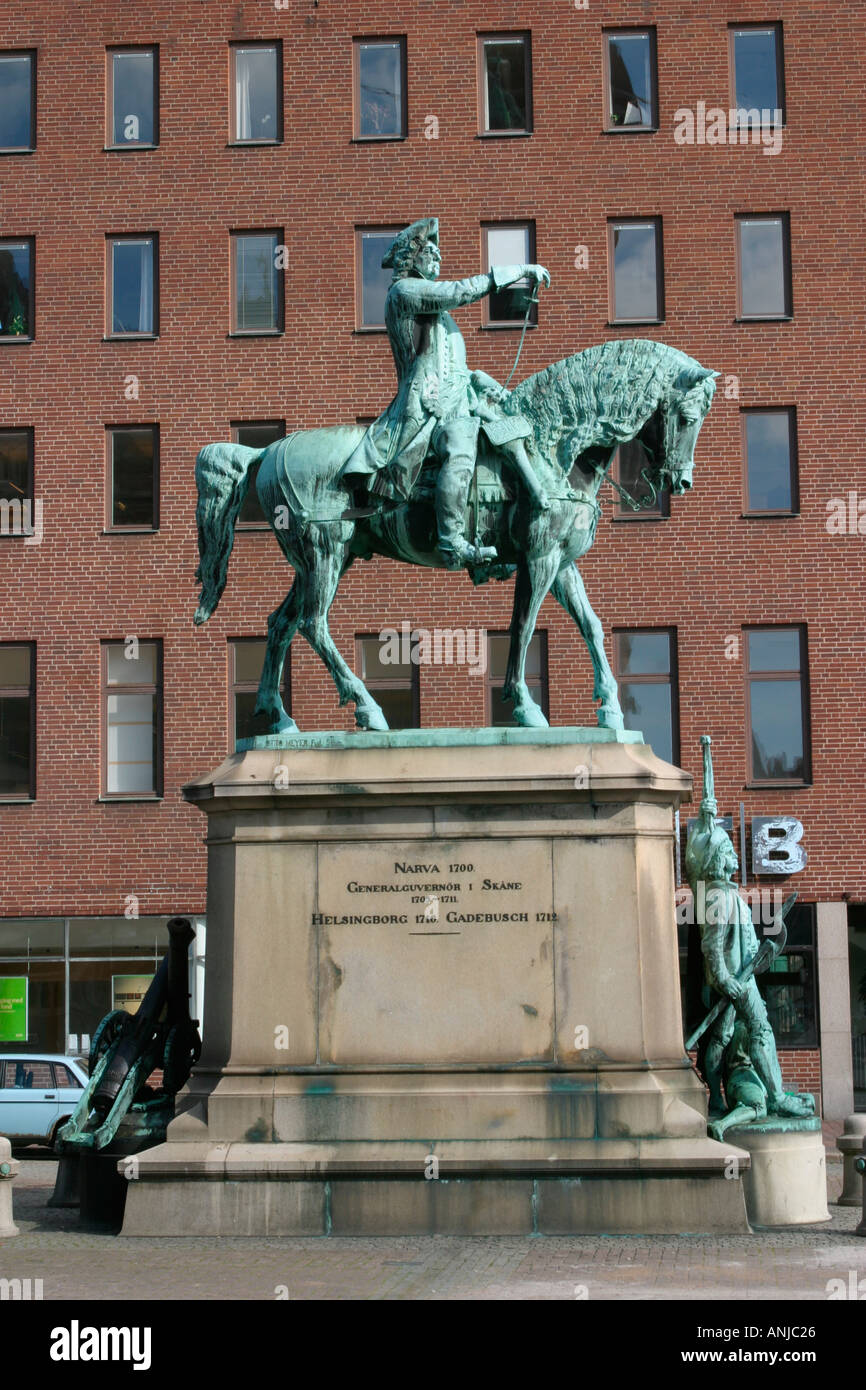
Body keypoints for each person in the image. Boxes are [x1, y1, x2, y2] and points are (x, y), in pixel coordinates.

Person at [341, 217, 550, 568]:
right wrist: (516, 270)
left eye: (439, 254)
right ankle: (452, 541)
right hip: (429, 404)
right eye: (430, 253)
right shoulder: (406, 292)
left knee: (510, 434)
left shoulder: (440, 318)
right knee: (461, 447)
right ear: (413, 258)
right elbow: (458, 292)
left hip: (457, 398)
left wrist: (482, 381)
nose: (437, 260)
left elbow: (455, 366)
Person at [684, 736, 815, 1123]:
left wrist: (760, 951)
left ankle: (743, 1099)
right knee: (741, 1032)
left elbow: (746, 938)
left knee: (739, 1033)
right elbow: (711, 948)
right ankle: (747, 1098)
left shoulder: (729, 895)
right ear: (717, 860)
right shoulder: (718, 898)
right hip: (734, 982)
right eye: (728, 852)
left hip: (744, 975)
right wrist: (724, 979)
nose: (734, 857)